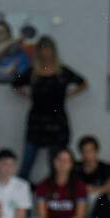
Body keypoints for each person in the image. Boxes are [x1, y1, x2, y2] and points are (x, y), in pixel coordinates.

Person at [11, 36, 87, 181]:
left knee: (57, 164)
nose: (45, 52)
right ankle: (20, 196)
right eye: (42, 49)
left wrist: (70, 95)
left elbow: (83, 83)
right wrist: (26, 95)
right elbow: (15, 84)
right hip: (36, 122)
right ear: (38, 52)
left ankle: (54, 197)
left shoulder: (62, 72)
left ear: (53, 51)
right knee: (27, 163)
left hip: (57, 122)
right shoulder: (32, 71)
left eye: (48, 49)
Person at [35, 148, 88, 218]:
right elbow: (42, 215)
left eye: (66, 161)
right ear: (54, 162)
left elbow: (80, 217)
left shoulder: (79, 186)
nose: (62, 164)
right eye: (60, 159)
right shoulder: (44, 186)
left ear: (71, 164)